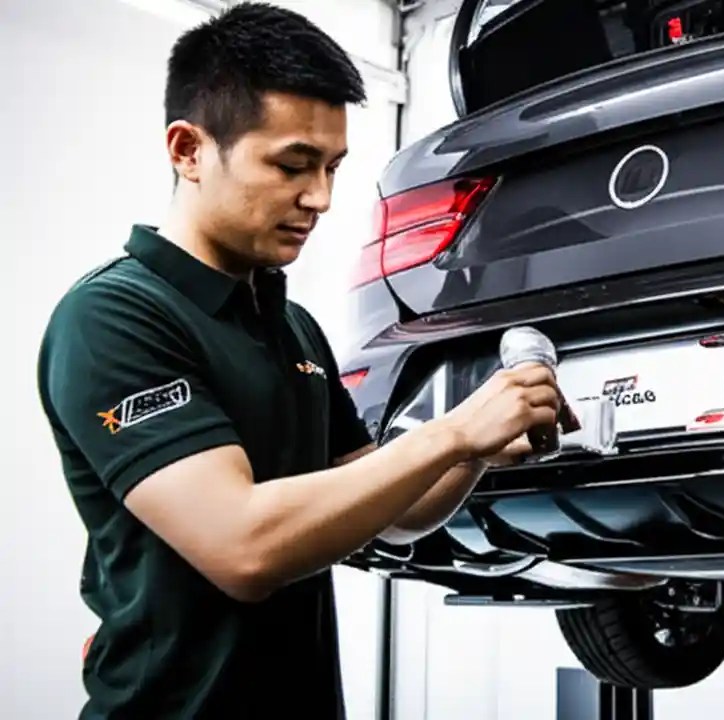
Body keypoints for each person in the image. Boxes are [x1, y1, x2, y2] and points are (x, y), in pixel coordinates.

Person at [35, 4, 562, 718]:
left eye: (332, 168)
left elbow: (389, 512)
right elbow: (244, 547)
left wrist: (475, 453)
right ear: (188, 150)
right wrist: (453, 433)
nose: (319, 197)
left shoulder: (292, 329)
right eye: (291, 166)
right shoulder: (115, 318)